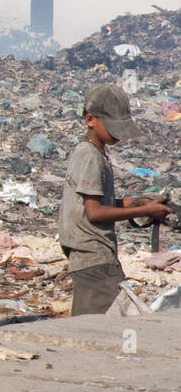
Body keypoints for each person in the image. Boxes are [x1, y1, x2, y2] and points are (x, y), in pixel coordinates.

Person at [58, 84, 170, 314]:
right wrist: (140, 212)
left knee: (94, 328)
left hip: (92, 258)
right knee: (109, 328)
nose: (118, 134)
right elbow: (95, 213)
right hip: (94, 257)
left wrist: (138, 203)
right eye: (113, 127)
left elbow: (98, 203)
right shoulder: (90, 156)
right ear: (90, 119)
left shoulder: (94, 153)